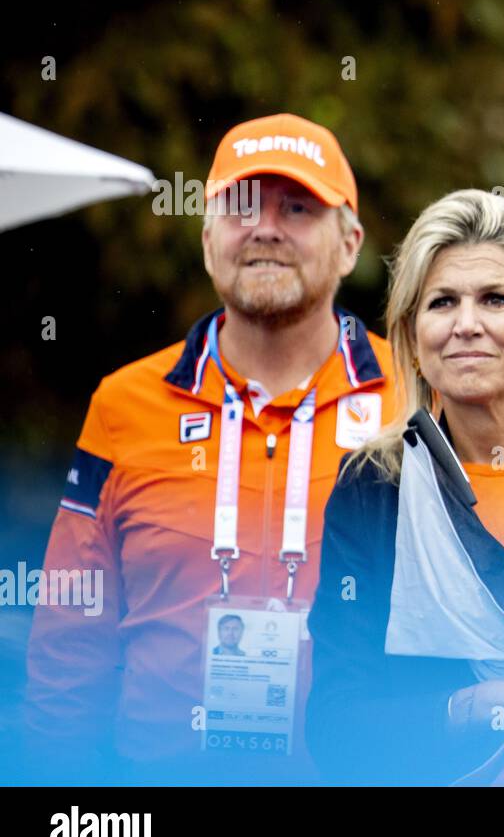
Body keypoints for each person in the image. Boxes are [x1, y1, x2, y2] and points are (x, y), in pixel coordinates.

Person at [24, 113, 399, 783]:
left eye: (298, 208)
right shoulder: (122, 405)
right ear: (206, 241)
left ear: (349, 246)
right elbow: (69, 645)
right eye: (240, 206)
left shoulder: (418, 399)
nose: (264, 227)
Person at [307, 189, 504, 785]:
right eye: (442, 303)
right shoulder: (376, 490)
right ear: (413, 338)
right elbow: (336, 727)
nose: (467, 325)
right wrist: (488, 709)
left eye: (495, 299)